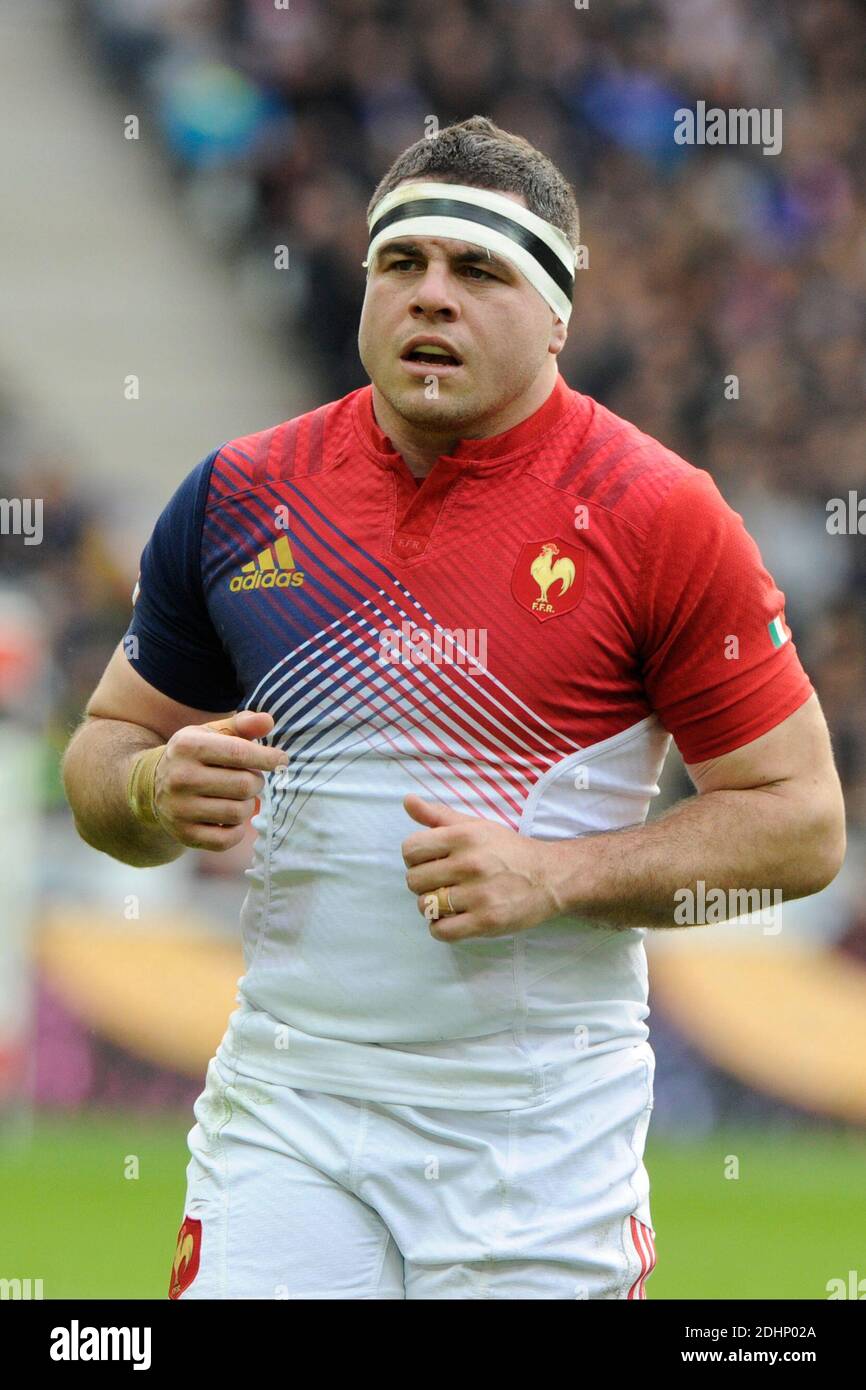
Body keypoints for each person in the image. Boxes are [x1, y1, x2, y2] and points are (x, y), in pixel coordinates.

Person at [62, 117, 845, 1300]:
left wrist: (553, 875)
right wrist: (146, 788)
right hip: (290, 1112)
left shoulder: (656, 512)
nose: (433, 296)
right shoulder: (238, 496)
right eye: (403, 263)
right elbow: (104, 752)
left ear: (556, 312)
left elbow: (799, 822)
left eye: (479, 271)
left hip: (534, 1141)